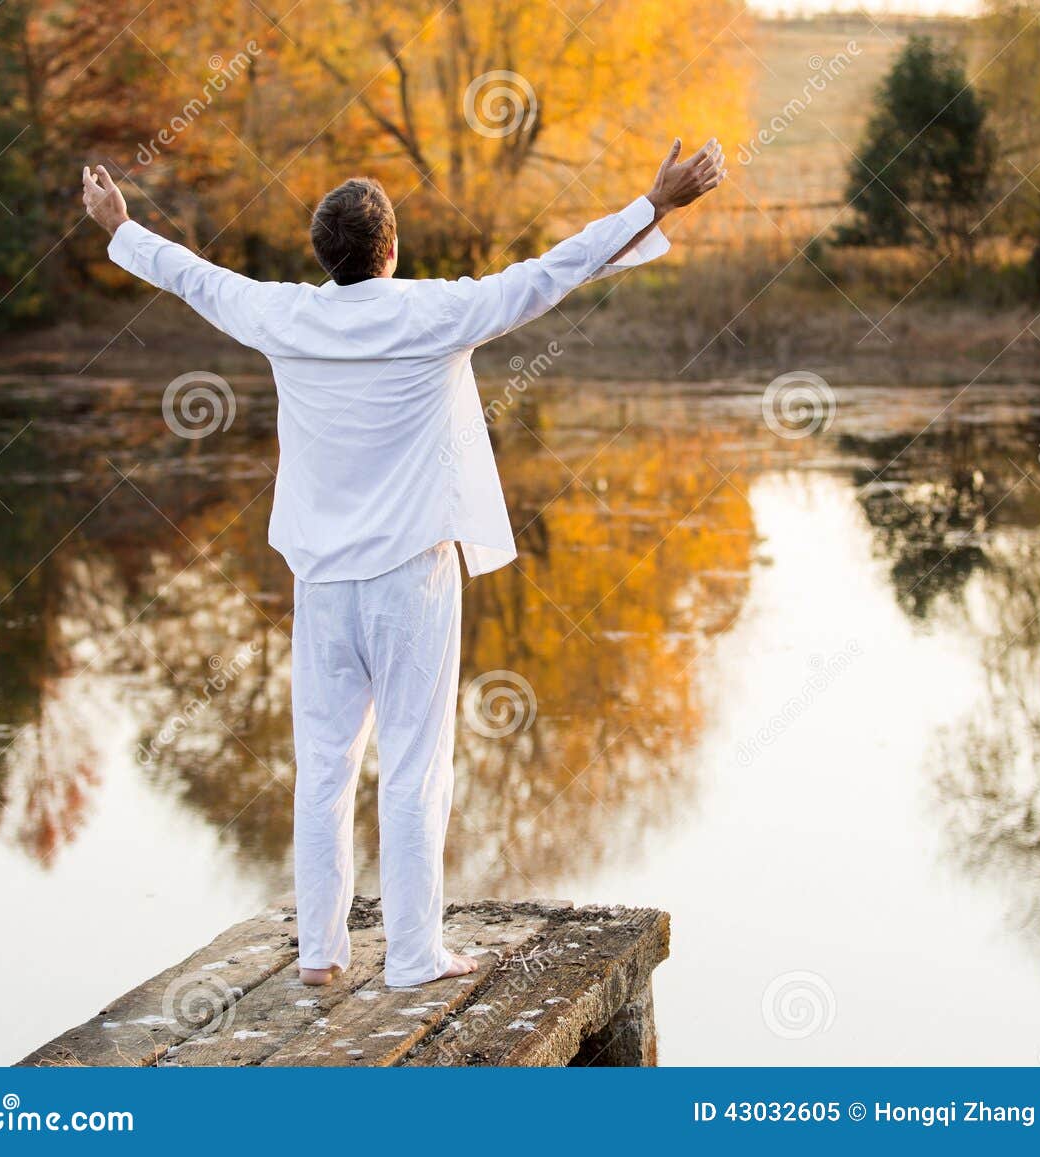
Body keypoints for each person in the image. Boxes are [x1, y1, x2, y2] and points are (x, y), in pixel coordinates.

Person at [81, 138, 726, 988]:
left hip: (322, 581)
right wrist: (655, 204)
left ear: (325, 256)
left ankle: (320, 953)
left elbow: (196, 278)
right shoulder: (436, 312)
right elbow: (551, 272)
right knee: (415, 764)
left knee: (324, 765)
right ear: (391, 248)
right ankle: (415, 955)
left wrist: (120, 226)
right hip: (412, 577)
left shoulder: (284, 315)